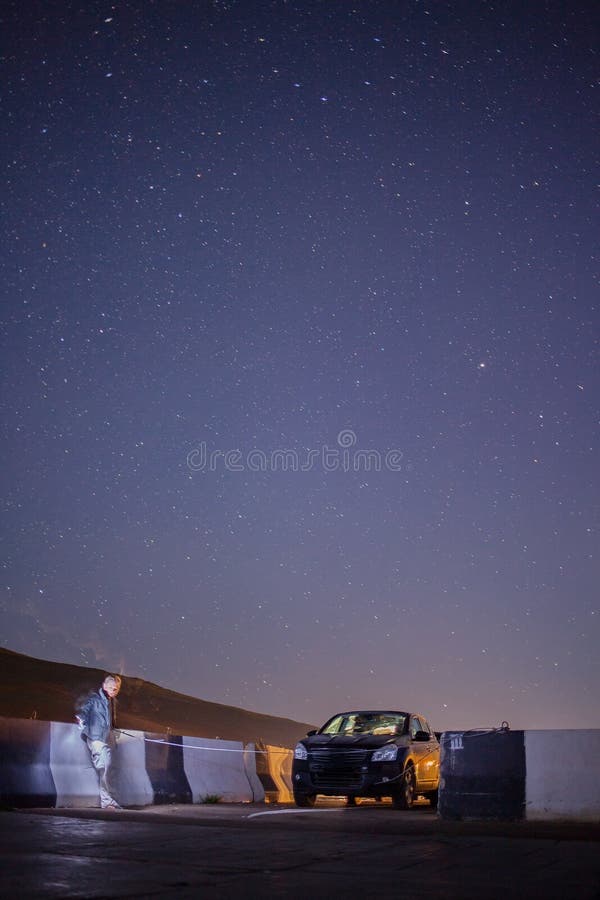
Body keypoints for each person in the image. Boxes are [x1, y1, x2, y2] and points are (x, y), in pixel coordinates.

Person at [76, 674, 122, 809]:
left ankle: (108, 800)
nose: (115, 691)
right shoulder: (95, 699)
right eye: (112, 688)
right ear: (104, 686)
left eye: (117, 689)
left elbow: (110, 721)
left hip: (106, 738)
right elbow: (83, 711)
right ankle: (107, 801)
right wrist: (82, 721)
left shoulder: (112, 702)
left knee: (107, 767)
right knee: (104, 766)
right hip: (96, 737)